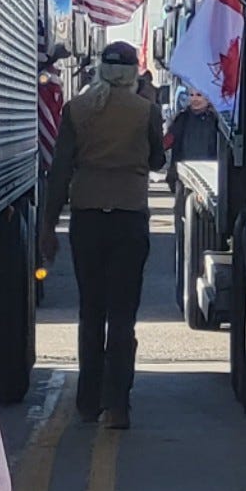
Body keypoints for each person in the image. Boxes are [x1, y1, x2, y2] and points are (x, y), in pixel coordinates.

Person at [40, 40, 166, 429]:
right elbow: (158, 159)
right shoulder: (146, 111)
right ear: (131, 73)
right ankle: (118, 405)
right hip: (128, 216)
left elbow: (60, 169)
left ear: (99, 68)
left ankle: (87, 399)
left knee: (91, 311)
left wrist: (47, 226)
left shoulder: (77, 110)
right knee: (123, 315)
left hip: (87, 216)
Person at [167, 87, 219, 166]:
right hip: (183, 169)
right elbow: (170, 138)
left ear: (207, 98)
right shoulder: (182, 118)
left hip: (209, 170)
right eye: (191, 95)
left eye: (199, 95)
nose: (194, 99)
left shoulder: (216, 120)